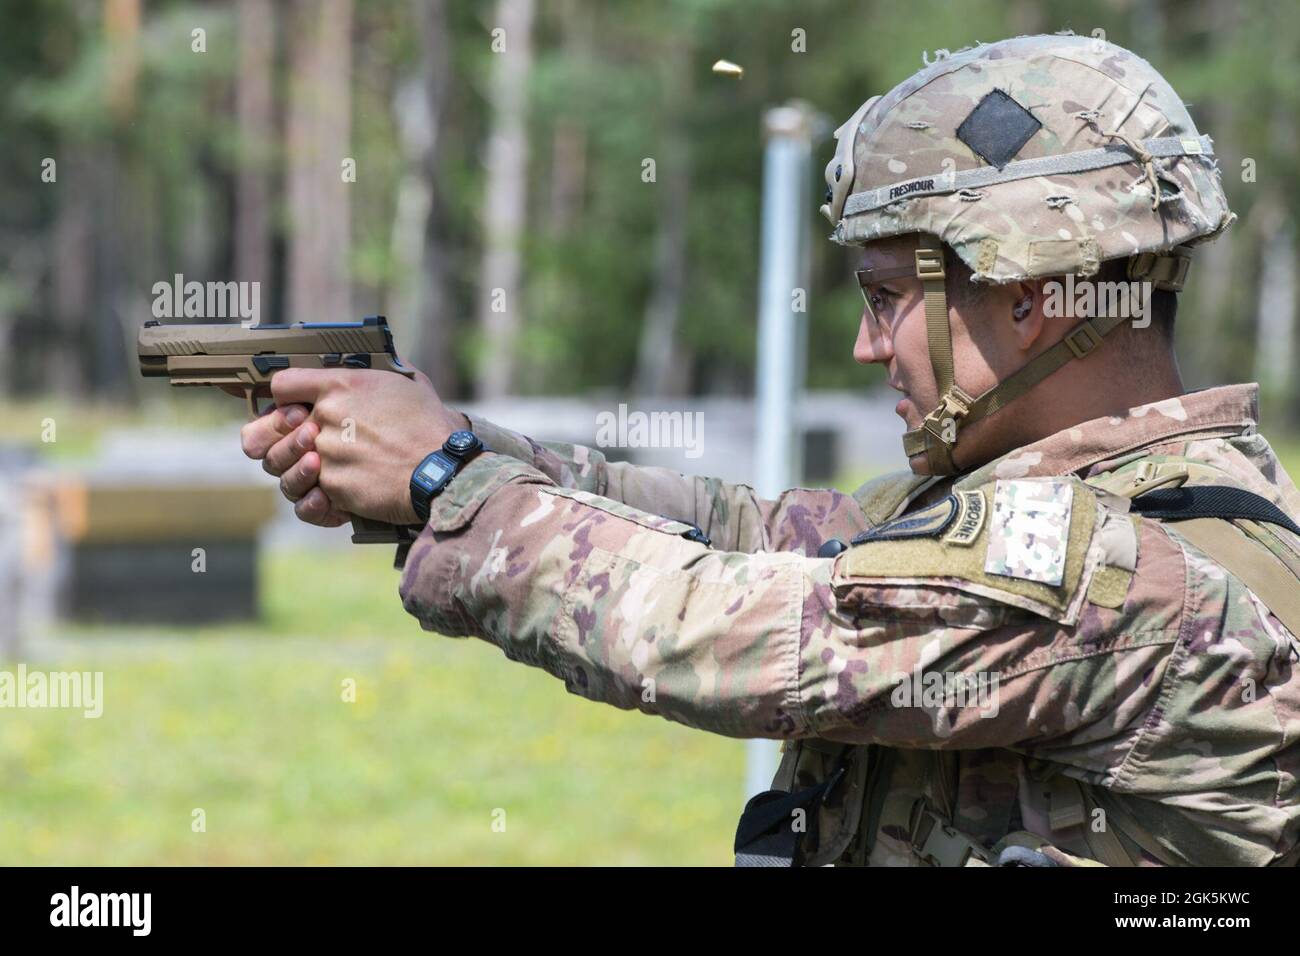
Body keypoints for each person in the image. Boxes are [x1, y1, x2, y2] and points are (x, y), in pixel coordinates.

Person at [239, 34, 1300, 866]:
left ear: (1028, 299)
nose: (865, 342)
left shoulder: (1120, 579)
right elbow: (756, 538)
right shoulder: (1120, 505)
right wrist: (461, 452)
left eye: (887, 299)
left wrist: (446, 484)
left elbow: (721, 624)